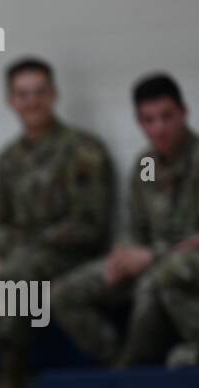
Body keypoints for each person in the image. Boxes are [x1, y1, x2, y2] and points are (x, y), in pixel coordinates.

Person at [0, 57, 114, 388]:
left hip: (76, 255)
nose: (31, 102)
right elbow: (0, 219)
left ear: (54, 95)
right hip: (28, 259)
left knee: (16, 272)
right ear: (10, 101)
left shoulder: (83, 149)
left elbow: (91, 224)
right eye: (22, 95)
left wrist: (21, 249)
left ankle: (10, 376)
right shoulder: (7, 159)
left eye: (39, 93)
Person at [53, 74, 199, 367]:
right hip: (150, 259)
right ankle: (115, 361)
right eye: (148, 120)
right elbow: (138, 226)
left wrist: (152, 255)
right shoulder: (146, 165)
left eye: (167, 117)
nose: (159, 128)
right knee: (63, 294)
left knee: (155, 279)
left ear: (184, 113)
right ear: (139, 122)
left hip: (181, 263)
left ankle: (131, 367)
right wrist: (123, 255)